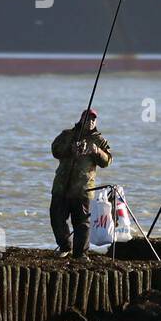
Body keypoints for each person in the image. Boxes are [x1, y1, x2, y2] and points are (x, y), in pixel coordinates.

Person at [50, 108, 112, 258]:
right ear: (81, 119)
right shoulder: (67, 134)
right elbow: (55, 150)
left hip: (82, 189)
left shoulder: (99, 140)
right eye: (87, 118)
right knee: (56, 218)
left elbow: (108, 161)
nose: (90, 122)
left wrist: (96, 150)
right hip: (61, 186)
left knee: (82, 224)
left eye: (93, 119)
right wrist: (70, 148)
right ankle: (65, 247)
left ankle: (80, 254)